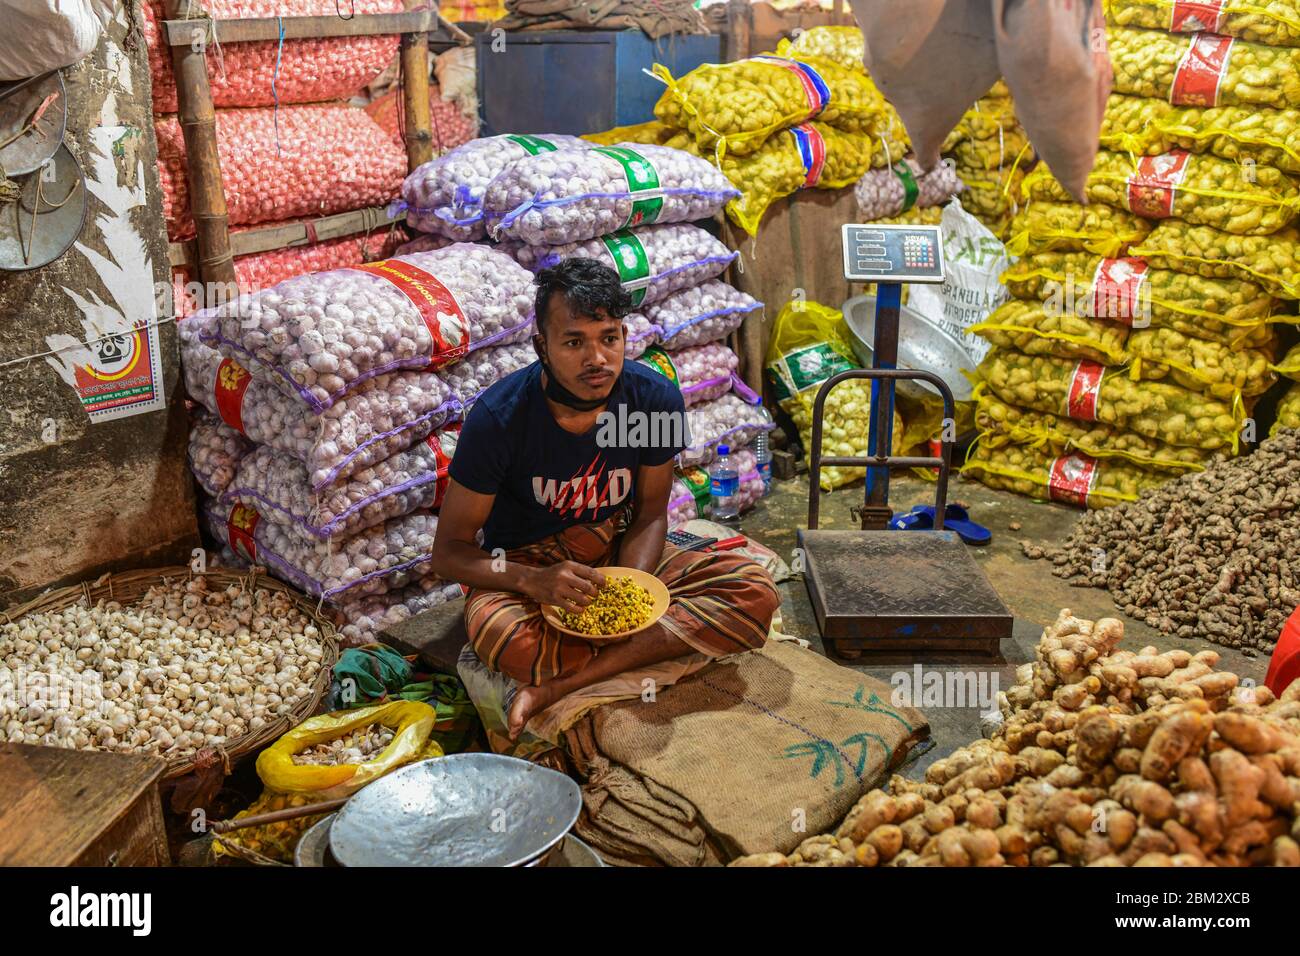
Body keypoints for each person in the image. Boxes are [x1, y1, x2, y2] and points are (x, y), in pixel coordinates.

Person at [431, 257, 779, 739]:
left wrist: (631, 593)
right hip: (524, 568)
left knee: (753, 590)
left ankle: (559, 686)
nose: (596, 359)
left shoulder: (654, 401)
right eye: (574, 342)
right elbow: (449, 554)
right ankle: (653, 650)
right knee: (509, 641)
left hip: (615, 550)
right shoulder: (499, 420)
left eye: (609, 338)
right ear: (542, 347)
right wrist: (533, 580)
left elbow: (651, 513)